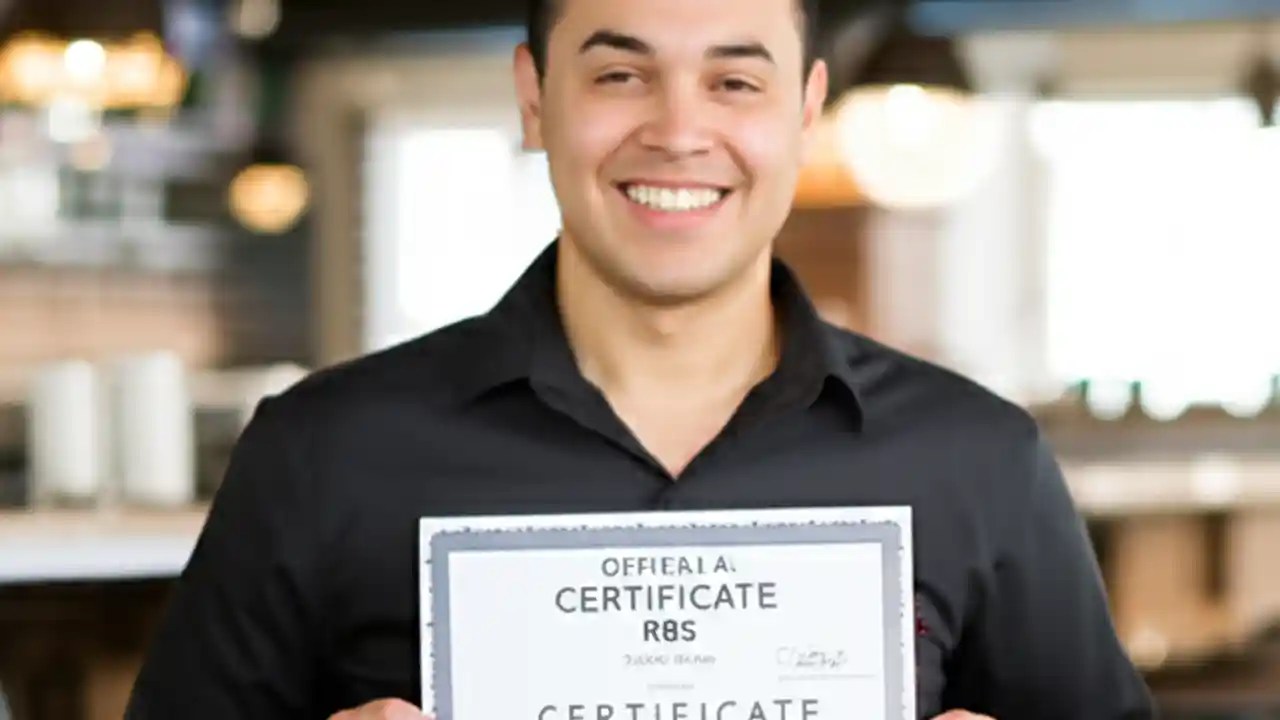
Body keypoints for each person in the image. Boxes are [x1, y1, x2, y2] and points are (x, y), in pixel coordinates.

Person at [126, 0, 1156, 717]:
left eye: (734, 80)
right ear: (535, 98)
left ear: (803, 108)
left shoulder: (977, 460)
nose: (677, 130)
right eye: (620, 74)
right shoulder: (322, 453)